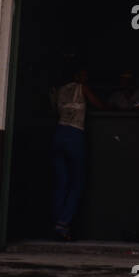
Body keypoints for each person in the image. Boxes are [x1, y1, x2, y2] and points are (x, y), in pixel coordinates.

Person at [51, 62, 104, 241]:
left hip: (59, 133)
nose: (86, 78)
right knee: (76, 181)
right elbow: (98, 104)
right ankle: (63, 224)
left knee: (61, 181)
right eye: (83, 74)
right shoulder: (82, 88)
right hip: (74, 134)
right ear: (77, 76)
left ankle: (56, 222)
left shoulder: (59, 90)